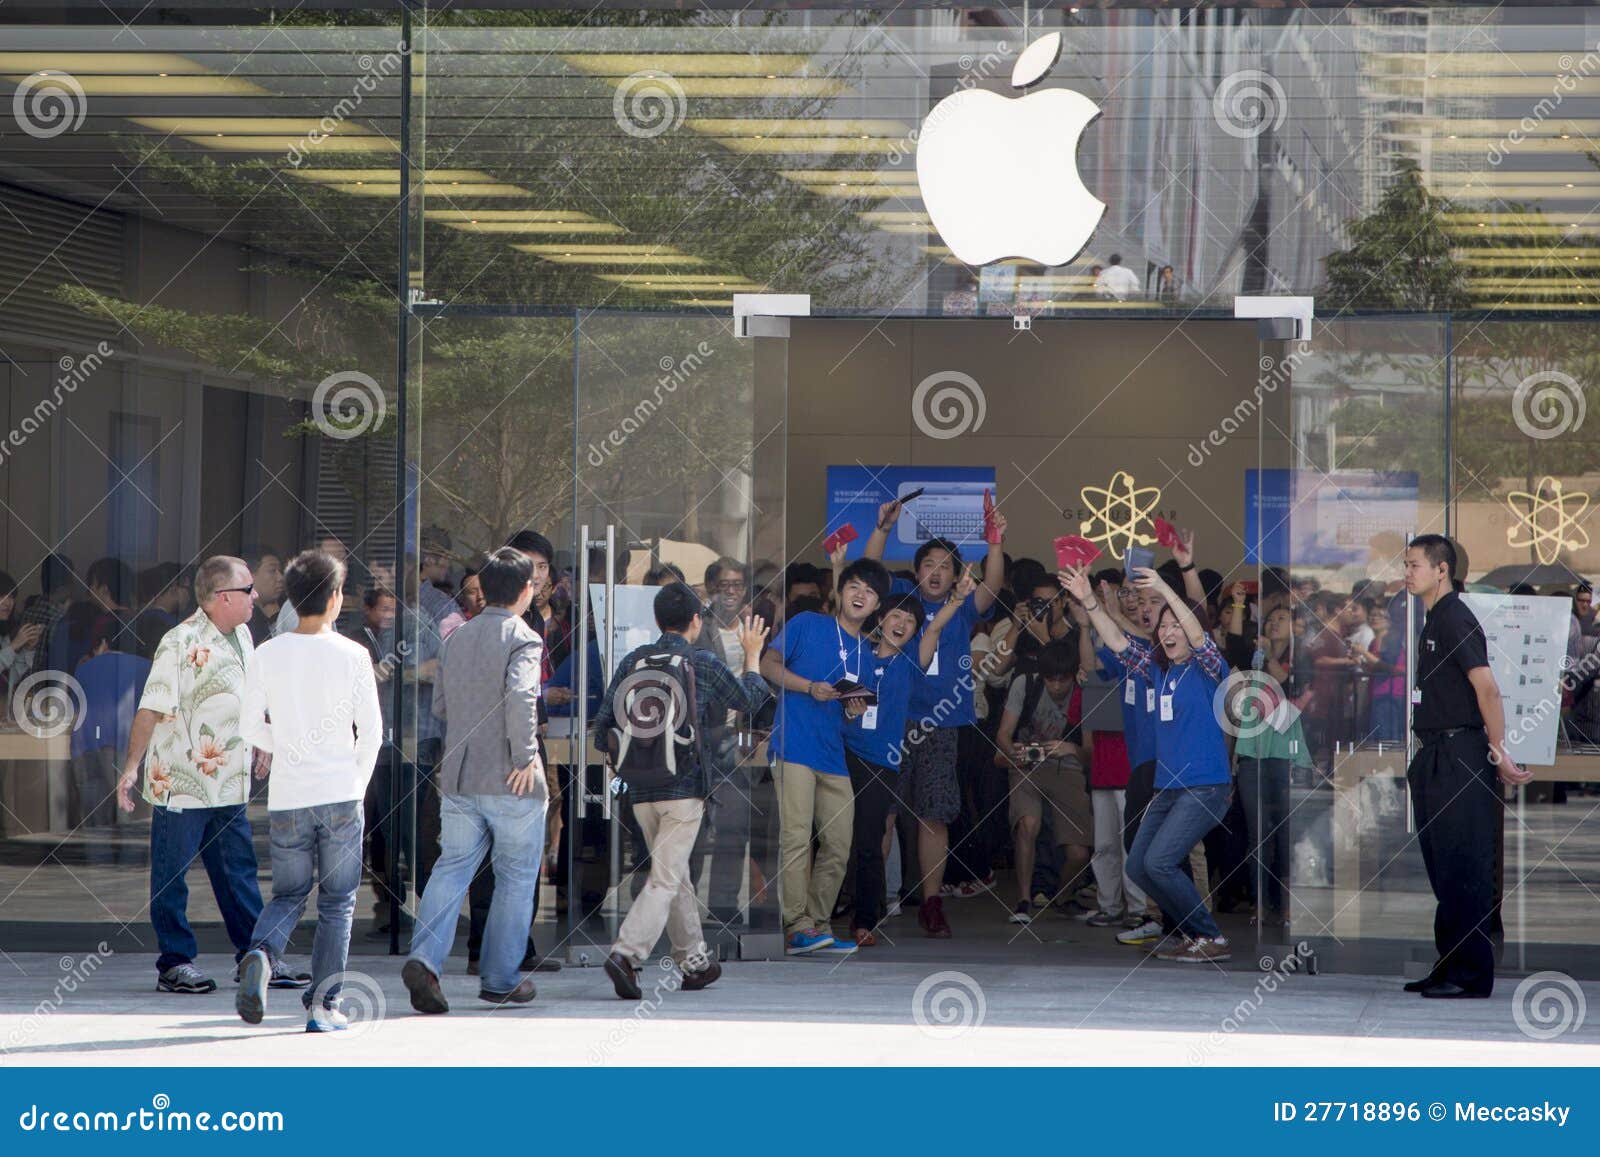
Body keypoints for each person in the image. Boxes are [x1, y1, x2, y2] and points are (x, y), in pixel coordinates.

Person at [114, 556, 298, 994]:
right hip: (181, 782)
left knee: (238, 873)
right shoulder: (179, 642)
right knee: (172, 875)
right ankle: (174, 963)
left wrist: (262, 741)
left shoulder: (244, 635)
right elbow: (151, 707)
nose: (256, 595)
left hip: (228, 781)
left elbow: (251, 698)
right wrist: (130, 768)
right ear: (222, 598)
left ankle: (257, 959)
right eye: (248, 588)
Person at [593, 582, 772, 999]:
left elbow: (603, 726)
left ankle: (695, 962)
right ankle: (626, 954)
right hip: (685, 787)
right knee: (666, 878)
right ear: (696, 620)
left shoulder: (633, 661)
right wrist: (751, 656)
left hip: (639, 791)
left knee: (675, 876)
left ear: (657, 621)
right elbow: (748, 700)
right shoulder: (702, 661)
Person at [236, 550, 382, 1032]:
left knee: (288, 894)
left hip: (288, 796)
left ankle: (261, 951)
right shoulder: (355, 655)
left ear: (293, 599)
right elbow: (373, 733)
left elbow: (247, 725)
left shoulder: (267, 654)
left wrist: (287, 746)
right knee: (337, 903)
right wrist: (355, 785)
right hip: (340, 791)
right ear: (337, 597)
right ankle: (323, 1008)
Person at [1063, 562, 1235, 964]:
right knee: (1139, 866)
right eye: (1163, 627)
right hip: (1167, 786)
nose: (1169, 632)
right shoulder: (1157, 671)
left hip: (1205, 785)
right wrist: (1089, 600)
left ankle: (1210, 936)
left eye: (1177, 626)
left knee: (1160, 861)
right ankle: (1191, 932)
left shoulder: (1210, 668)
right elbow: (1119, 644)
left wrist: (1163, 588)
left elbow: (1197, 633)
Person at [402, 547, 549, 1014]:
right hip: (512, 773)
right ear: (527, 590)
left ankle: (425, 960)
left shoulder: (457, 637)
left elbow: (441, 706)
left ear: (482, 589)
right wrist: (526, 755)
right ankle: (501, 978)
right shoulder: (523, 636)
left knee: (451, 868)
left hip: (460, 770)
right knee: (515, 877)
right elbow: (523, 694)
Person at [863, 498, 1006, 938]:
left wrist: (994, 540)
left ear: (957, 573)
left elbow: (994, 584)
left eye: (946, 565)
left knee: (934, 815)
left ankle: (931, 902)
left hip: (942, 725)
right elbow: (865, 577)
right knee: (883, 813)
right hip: (893, 721)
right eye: (929, 564)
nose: (937, 572)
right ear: (918, 569)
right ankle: (876, 899)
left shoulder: (963, 607)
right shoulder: (901, 602)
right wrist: (883, 529)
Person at [1402, 534, 1529, 999]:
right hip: (1435, 755)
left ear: (1442, 570)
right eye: (1406, 564)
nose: (1407, 572)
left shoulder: (1455, 617)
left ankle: (1471, 975)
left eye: (1415, 564)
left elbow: (1487, 689)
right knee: (1443, 867)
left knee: (1464, 867)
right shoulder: (1434, 619)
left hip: (1462, 755)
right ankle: (1449, 964)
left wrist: (1499, 751)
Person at [762, 558, 893, 954]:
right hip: (793, 747)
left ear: (876, 608)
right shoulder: (807, 624)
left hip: (833, 755)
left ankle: (816, 924)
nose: (860, 595)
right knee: (797, 837)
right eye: (854, 586)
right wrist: (808, 686)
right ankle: (795, 925)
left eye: (870, 593)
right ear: (840, 591)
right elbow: (767, 664)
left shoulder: (866, 655)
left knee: (839, 843)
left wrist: (853, 711)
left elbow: (854, 714)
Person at [846, 576, 972, 945]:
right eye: (895, 616)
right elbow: (844, 711)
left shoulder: (911, 662)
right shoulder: (856, 655)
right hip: (848, 756)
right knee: (842, 837)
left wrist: (957, 599)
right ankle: (819, 916)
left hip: (883, 761)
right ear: (880, 617)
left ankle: (864, 918)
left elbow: (934, 630)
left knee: (870, 838)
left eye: (910, 621)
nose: (901, 624)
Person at [994, 640, 1094, 925]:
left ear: (1074, 674)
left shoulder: (1085, 693)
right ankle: (1024, 899)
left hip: (1068, 766)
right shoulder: (1024, 684)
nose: (1057, 686)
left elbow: (1090, 754)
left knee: (1078, 853)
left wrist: (1068, 748)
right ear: (1042, 675)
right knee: (1028, 824)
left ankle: (1062, 895)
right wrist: (1013, 750)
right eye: (1050, 679)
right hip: (1026, 763)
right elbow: (1003, 733)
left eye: (1063, 679)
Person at [0, 571, 44, 692]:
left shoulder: (4, 635)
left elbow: (11, 679)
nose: (8, 602)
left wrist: (28, 649)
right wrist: (14, 645)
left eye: (12, 597)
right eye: (2, 596)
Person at [131, 563, 186, 660]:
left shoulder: (134, 621)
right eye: (185, 588)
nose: (188, 594)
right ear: (173, 589)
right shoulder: (176, 625)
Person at [245, 548, 286, 646]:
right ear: (250, 575)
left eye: (280, 571)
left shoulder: (286, 608)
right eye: (272, 571)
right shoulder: (240, 618)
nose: (280, 577)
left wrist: (275, 618)